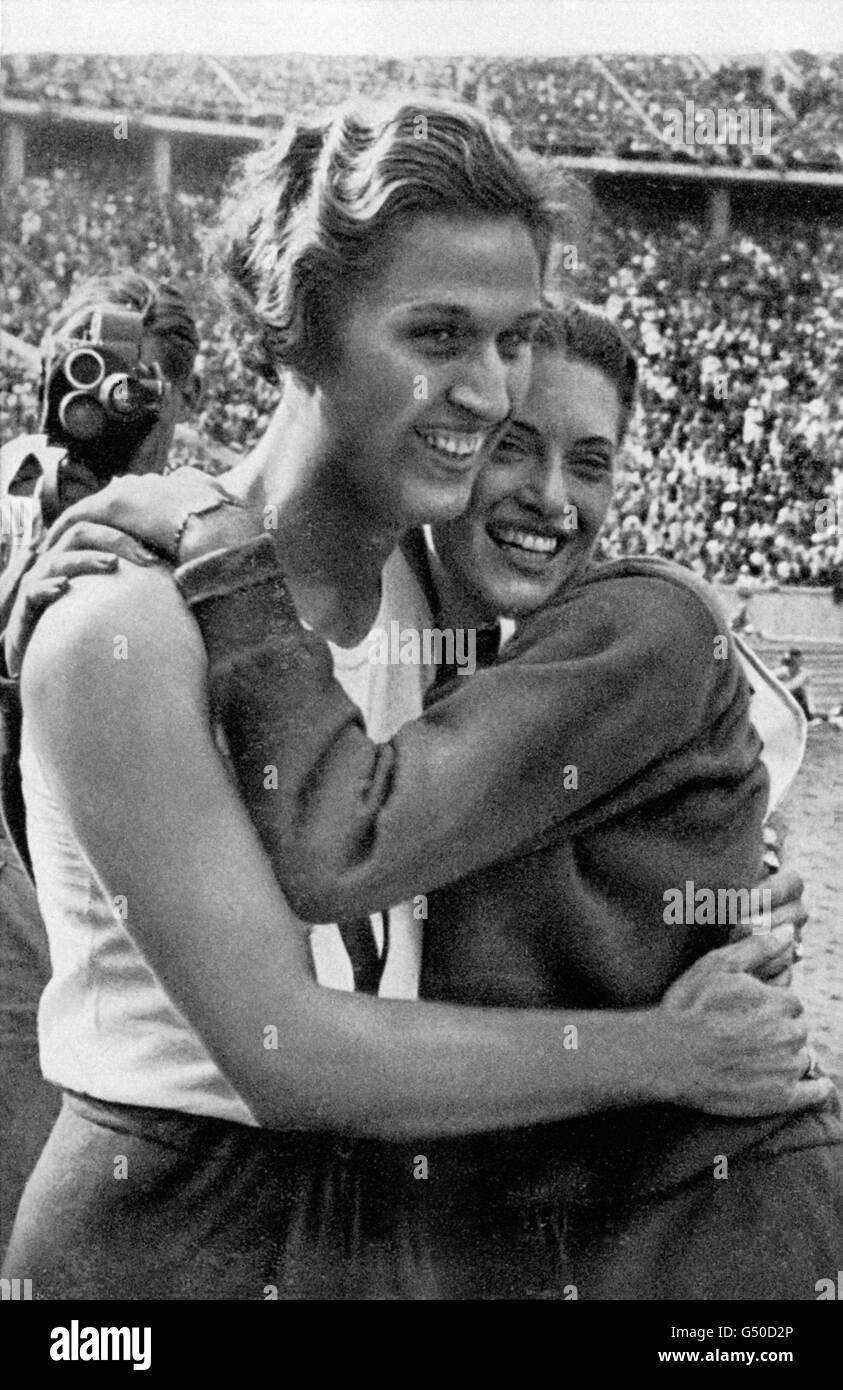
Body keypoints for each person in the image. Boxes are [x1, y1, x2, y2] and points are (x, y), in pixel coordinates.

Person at [2, 106, 822, 1302]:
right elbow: (288, 1055)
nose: (487, 389)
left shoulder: (442, 581)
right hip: (174, 1233)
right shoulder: (118, 629)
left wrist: (723, 894)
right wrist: (671, 1051)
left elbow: (666, 767)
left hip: (404, 1220)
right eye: (437, 334)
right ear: (301, 336)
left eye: (513, 338)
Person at [0, 272, 200, 1259]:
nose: (104, 402)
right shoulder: (6, 496)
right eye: (85, 371)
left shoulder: (207, 527)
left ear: (182, 402)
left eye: (138, 385)